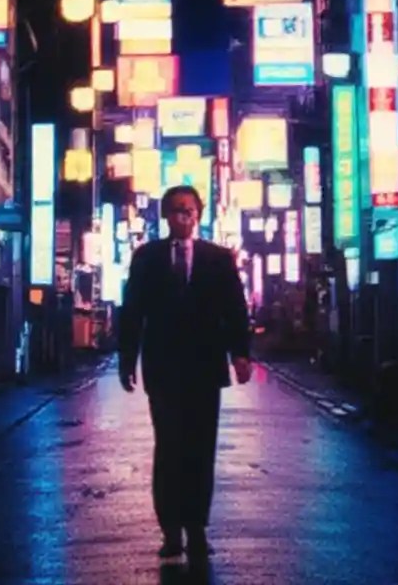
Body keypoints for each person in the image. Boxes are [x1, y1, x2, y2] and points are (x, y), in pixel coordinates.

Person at [118, 185, 252, 561]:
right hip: (162, 369)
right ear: (166, 215)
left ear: (199, 214)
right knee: (169, 448)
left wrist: (241, 354)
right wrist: (126, 359)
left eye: (190, 210)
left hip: (205, 369)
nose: (184, 216)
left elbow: (235, 308)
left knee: (200, 449)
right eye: (177, 210)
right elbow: (133, 311)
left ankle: (196, 529)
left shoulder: (218, 258)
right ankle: (171, 531)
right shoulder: (147, 257)